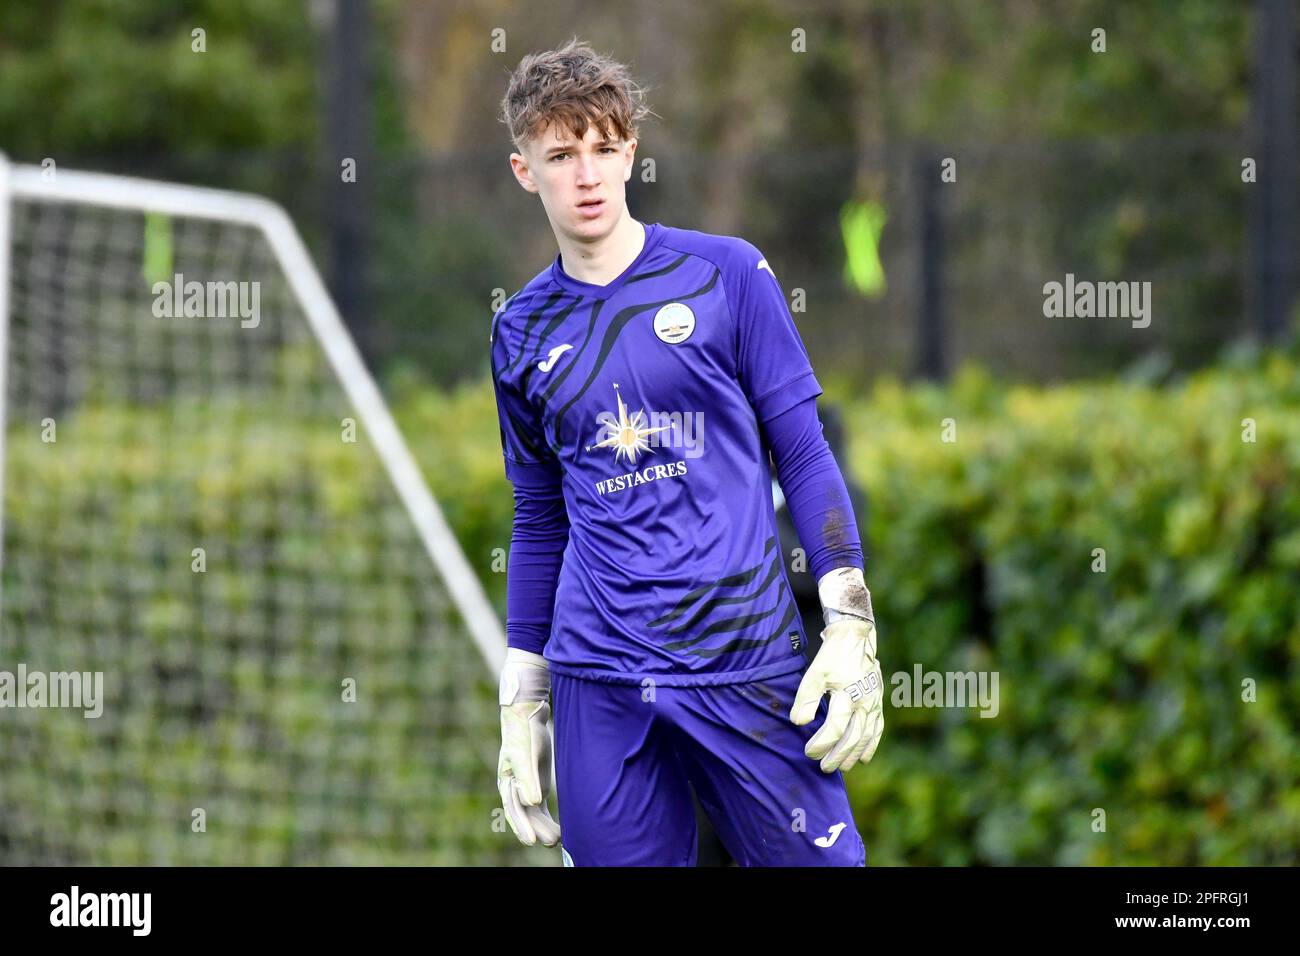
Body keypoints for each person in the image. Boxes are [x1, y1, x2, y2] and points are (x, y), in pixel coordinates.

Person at [490, 38, 883, 867]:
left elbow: (804, 456)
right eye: (561, 155)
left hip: (746, 659)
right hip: (599, 679)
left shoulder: (729, 276)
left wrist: (850, 620)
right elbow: (537, 515)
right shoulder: (519, 330)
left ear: (631, 150)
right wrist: (523, 687)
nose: (587, 175)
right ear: (526, 170)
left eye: (603, 148)